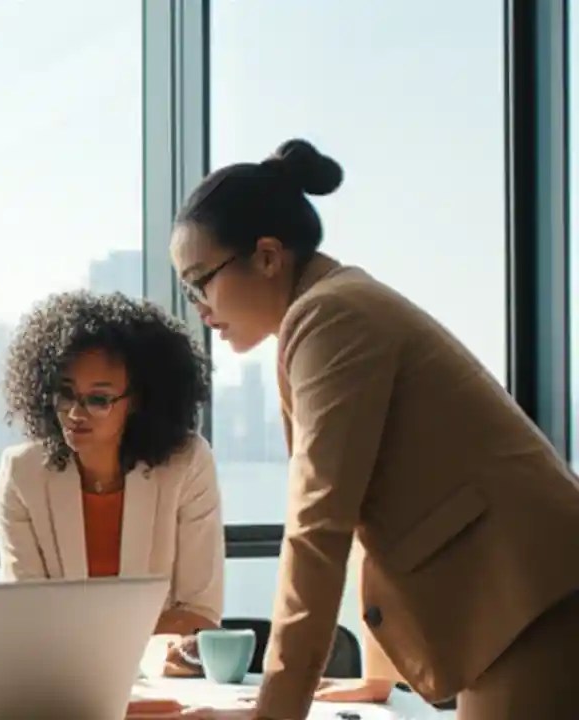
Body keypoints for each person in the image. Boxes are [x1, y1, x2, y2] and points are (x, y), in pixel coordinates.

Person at [169, 138, 579, 719]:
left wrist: (275, 710)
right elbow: (374, 513)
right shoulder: (338, 306)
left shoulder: (331, 317)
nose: (199, 308)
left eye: (199, 282)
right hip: (526, 598)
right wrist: (376, 678)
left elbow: (319, 526)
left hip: (536, 603)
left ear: (266, 256)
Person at [0, 290, 224, 672]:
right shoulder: (23, 473)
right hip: (60, 682)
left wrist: (90, 641)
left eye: (98, 400)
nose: (74, 413)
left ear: (138, 400)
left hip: (162, 682)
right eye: (65, 394)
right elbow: (28, 619)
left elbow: (200, 614)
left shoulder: (187, 463)